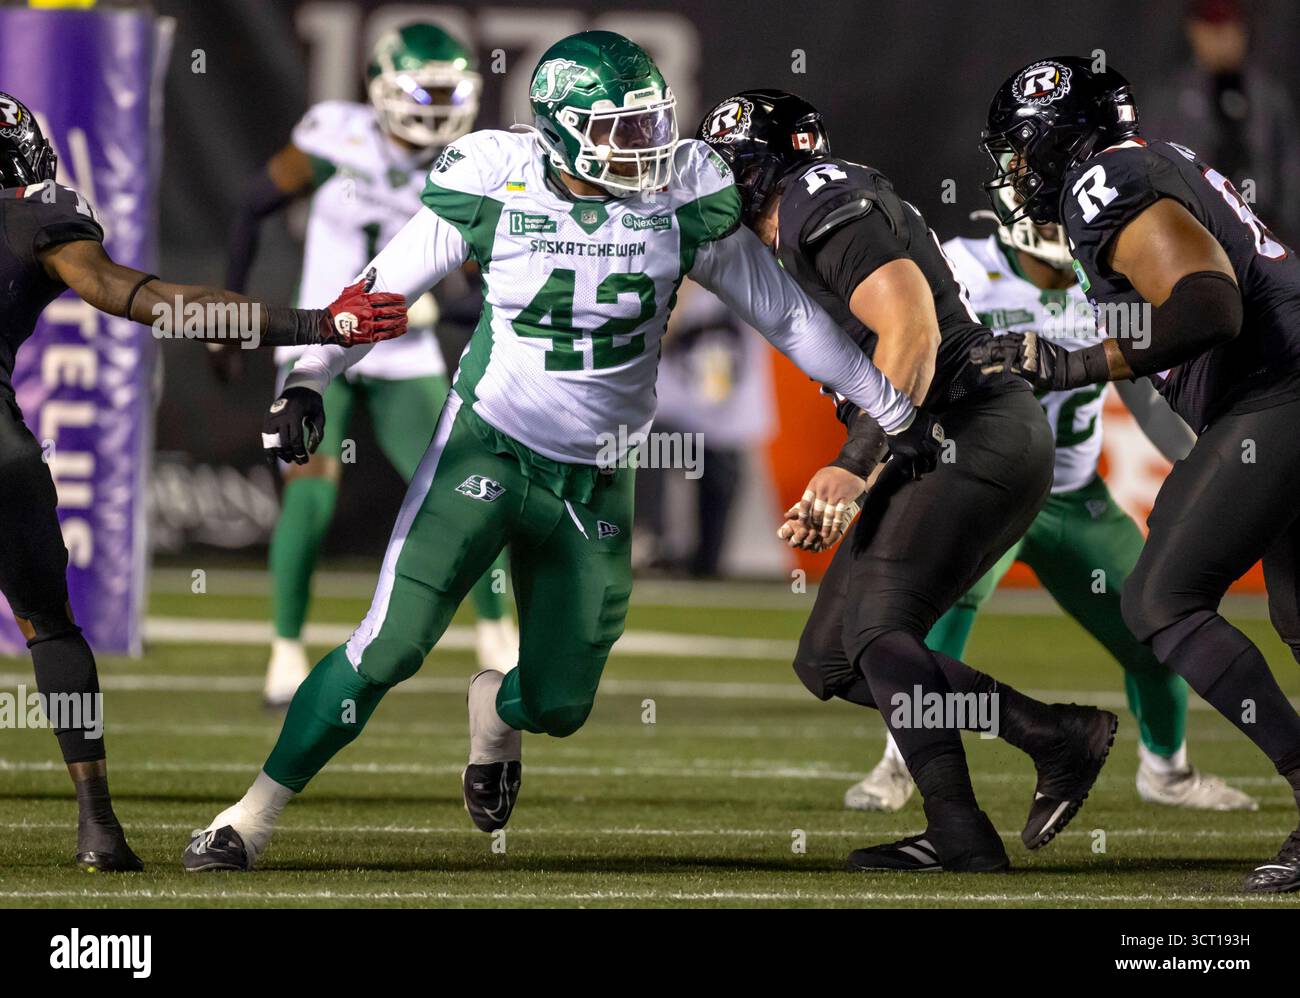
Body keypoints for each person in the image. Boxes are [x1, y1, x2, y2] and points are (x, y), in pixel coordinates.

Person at [182, 30, 938, 873]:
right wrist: (309, 379)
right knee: (388, 645)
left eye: (653, 125)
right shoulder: (491, 180)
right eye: (622, 130)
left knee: (561, 704)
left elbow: (790, 319)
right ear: (561, 127)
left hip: (598, 477)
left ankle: (495, 717)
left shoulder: (685, 197)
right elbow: (378, 294)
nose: (649, 148)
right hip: (487, 447)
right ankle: (248, 816)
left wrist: (891, 411)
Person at [701, 90, 1116, 874]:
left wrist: (855, 464)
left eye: (731, 171)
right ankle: (1045, 736)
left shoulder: (820, 200)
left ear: (758, 173)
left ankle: (965, 824)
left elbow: (912, 329)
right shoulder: (805, 210)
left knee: (878, 634)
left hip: (972, 425)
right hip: (938, 433)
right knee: (832, 659)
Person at [0, 90, 404, 871]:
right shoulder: (31, 217)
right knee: (48, 626)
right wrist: (317, 324)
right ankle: (99, 830)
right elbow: (151, 303)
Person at [977, 55, 1300, 893]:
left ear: (1055, 141)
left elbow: (1207, 305)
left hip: (1281, 391)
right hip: (1279, 387)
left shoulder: (1105, 179)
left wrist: (1071, 363)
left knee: (1161, 600)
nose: (1016, 175)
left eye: (1020, 152)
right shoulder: (1148, 162)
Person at [844, 213, 1256, 815]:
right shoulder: (960, 267)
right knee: (931, 627)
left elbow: (1143, 387)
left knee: (1162, 623)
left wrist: (1198, 462)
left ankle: (1167, 769)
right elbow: (906, 350)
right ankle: (898, 761)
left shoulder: (1111, 275)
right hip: (988, 490)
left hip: (1075, 496)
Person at [220, 22, 516, 707]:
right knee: (311, 493)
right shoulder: (336, 136)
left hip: (405, 350)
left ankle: (500, 633)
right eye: (424, 90)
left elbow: (492, 281)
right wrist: (228, 317)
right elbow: (251, 206)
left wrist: (440, 312)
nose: (437, 106)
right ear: (383, 86)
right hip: (320, 346)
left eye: (450, 91)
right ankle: (285, 651)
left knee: (471, 491)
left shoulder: (473, 163)